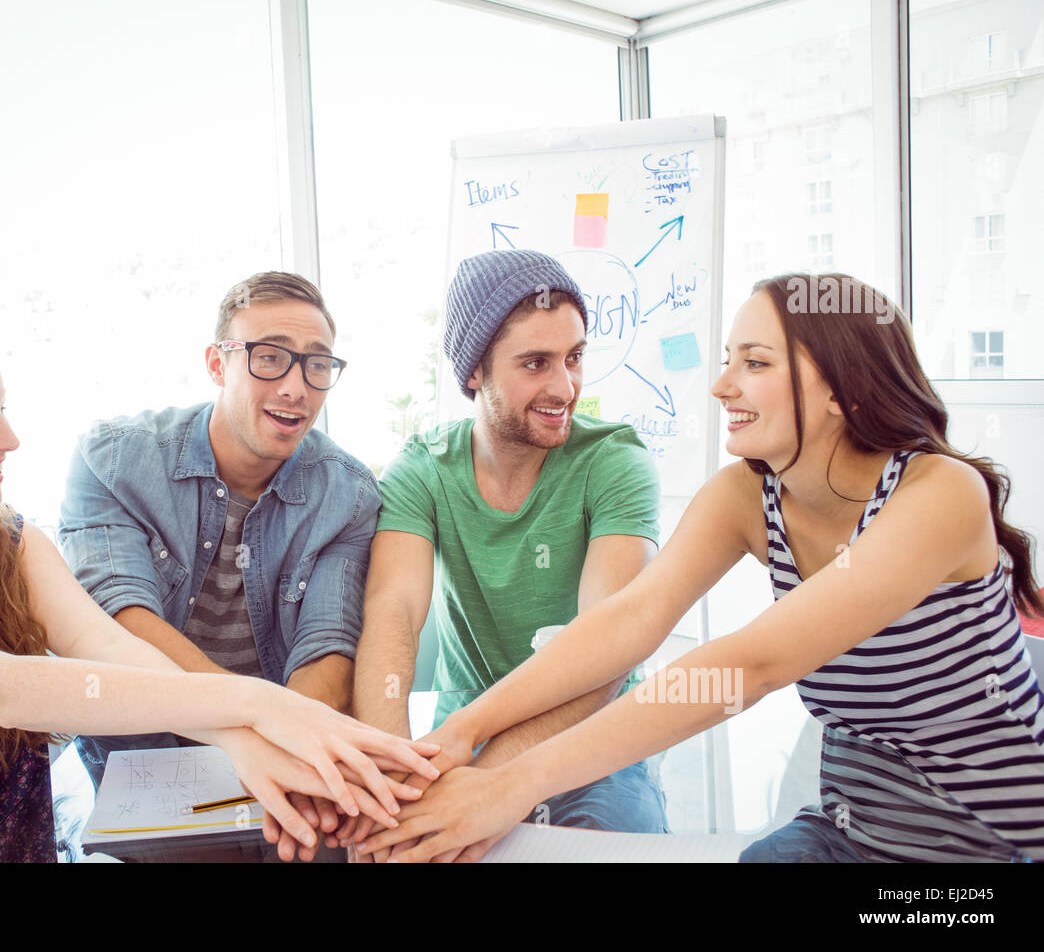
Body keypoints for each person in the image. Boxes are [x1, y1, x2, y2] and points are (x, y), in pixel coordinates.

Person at [355, 272, 1044, 863]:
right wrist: (463, 733)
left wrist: (510, 785)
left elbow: (754, 666)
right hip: (854, 840)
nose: (721, 386)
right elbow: (628, 618)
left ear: (841, 389)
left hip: (1001, 844)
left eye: (755, 362)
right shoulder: (747, 494)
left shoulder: (942, 494)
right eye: (726, 359)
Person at [0, 312, 438, 862]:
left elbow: (106, 645)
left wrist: (243, 740)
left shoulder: (11, 546)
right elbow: (1, 687)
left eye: (3, 410)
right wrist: (255, 703)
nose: (10, 438)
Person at [347, 249, 668, 860]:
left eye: (574, 358)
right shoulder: (423, 468)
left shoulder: (616, 462)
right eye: (535, 363)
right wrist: (391, 778)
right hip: (456, 734)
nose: (564, 386)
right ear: (475, 373)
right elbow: (392, 612)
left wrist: (489, 785)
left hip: (590, 732)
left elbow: (607, 653)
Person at [60, 272, 379, 861]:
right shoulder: (114, 458)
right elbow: (119, 622)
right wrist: (257, 724)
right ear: (216, 363)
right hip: (148, 753)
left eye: (316, 365)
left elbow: (328, 645)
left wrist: (291, 752)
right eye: (270, 358)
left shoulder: (350, 493)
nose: (296, 387)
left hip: (287, 741)